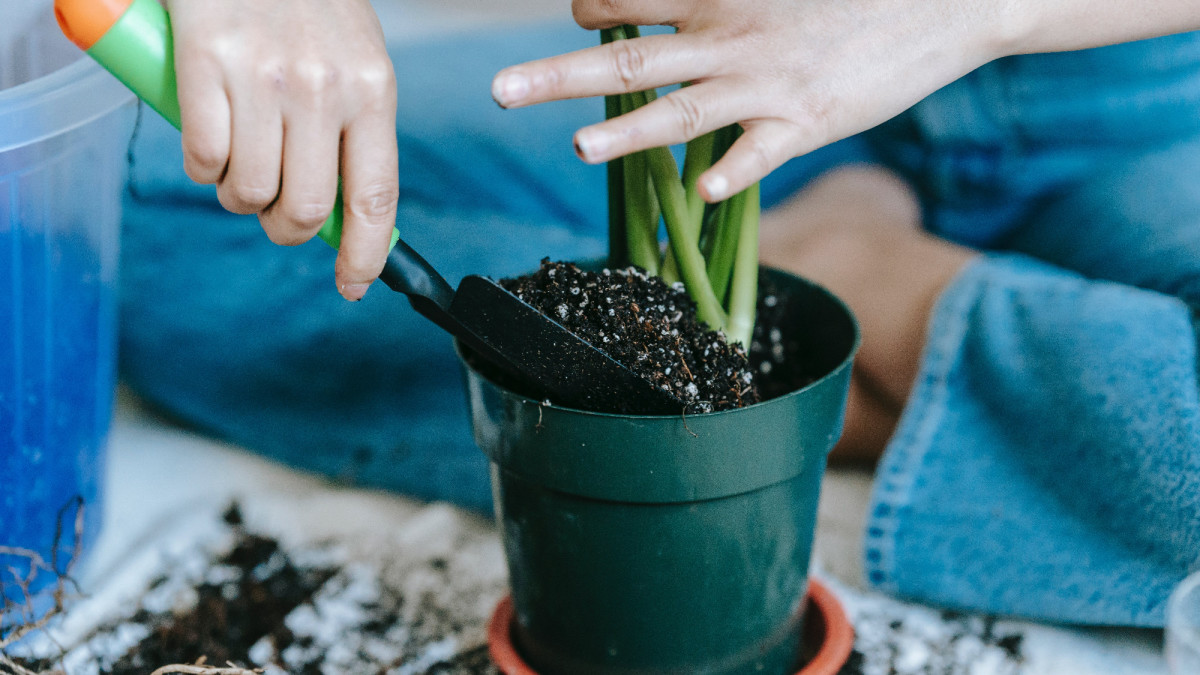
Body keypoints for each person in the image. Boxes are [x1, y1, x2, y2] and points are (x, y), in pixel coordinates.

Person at [121, 0, 1200, 626]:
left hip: (1137, 106)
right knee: (141, 197)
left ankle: (858, 278)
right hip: (730, 61)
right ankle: (803, 377)